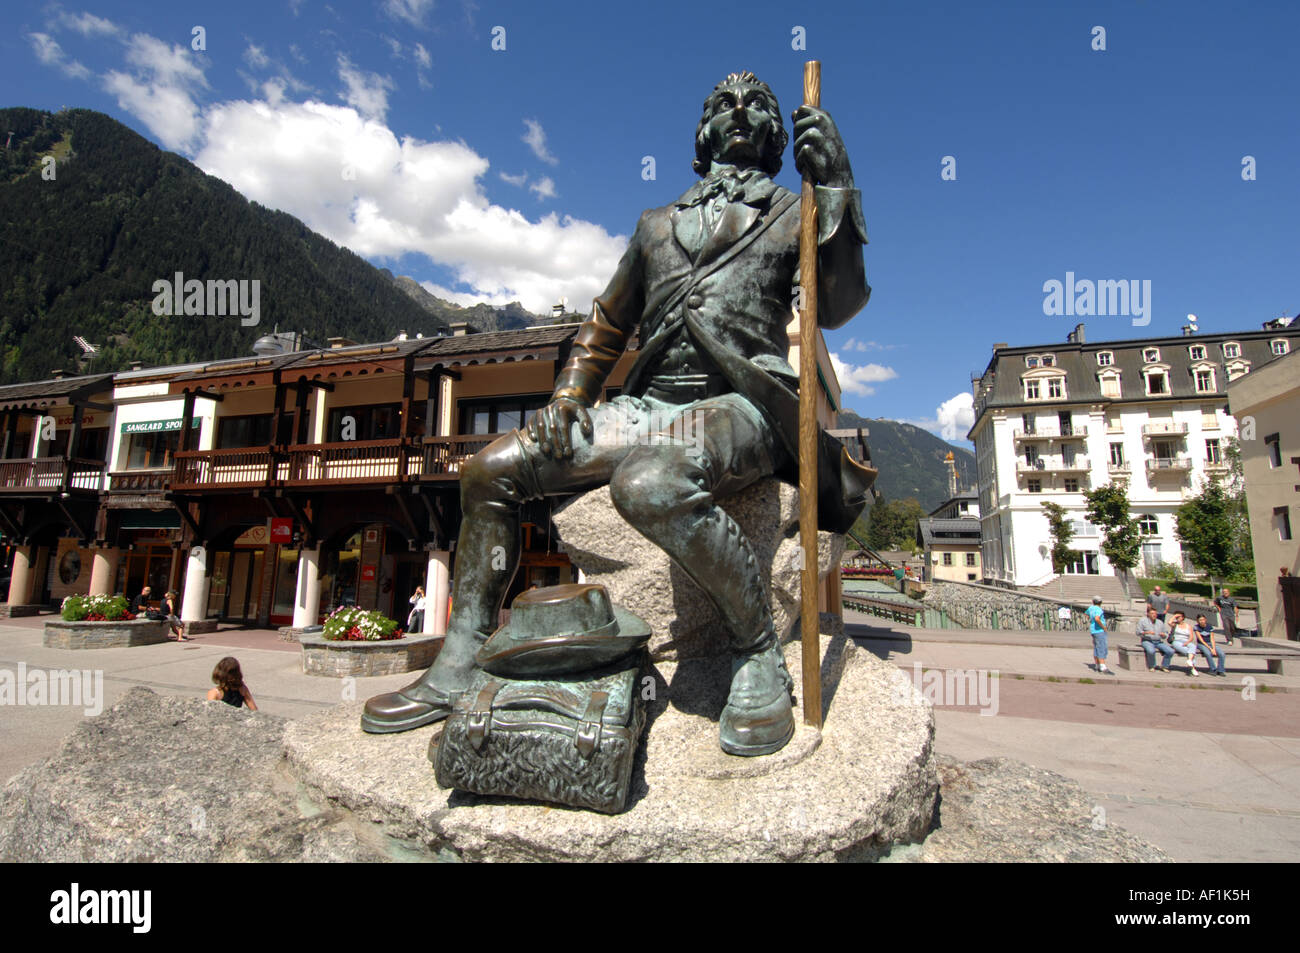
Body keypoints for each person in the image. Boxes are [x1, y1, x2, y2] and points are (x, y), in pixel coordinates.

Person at [363, 70, 874, 758]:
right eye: (725, 104)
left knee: (648, 482)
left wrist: (837, 183)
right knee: (488, 472)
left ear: (780, 134)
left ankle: (756, 651)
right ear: (704, 130)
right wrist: (571, 397)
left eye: (759, 104)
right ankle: (460, 658)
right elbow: (606, 322)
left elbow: (839, 304)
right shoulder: (654, 225)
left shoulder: (792, 211)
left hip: (740, 404)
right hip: (646, 404)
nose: (743, 112)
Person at [1136, 605, 1175, 671]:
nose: (1154, 615)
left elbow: (1165, 633)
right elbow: (1137, 632)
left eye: (1155, 613)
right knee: (1151, 651)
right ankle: (1152, 666)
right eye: (1152, 613)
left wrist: (1163, 635)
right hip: (1147, 641)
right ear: (1148, 614)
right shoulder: (1142, 621)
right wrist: (1146, 632)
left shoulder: (1160, 622)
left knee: (1170, 651)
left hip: (1158, 641)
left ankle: (1164, 666)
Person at [1193, 613, 1227, 677]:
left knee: (1222, 654)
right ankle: (1213, 669)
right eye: (1200, 620)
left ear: (1205, 620)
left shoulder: (1209, 627)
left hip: (1210, 643)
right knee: (1208, 653)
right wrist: (1210, 649)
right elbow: (1201, 640)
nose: (1202, 621)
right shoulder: (1196, 627)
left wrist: (1213, 648)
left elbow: (1212, 639)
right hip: (1201, 644)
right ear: (1197, 621)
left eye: (1203, 619)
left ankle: (1220, 670)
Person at [1085, 597, 1113, 675]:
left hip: (1093, 630)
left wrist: (1090, 619)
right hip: (1099, 631)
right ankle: (1103, 666)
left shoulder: (1091, 608)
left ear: (1093, 601)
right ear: (1101, 602)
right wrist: (1103, 627)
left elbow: (1086, 614)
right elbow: (1097, 618)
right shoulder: (1098, 609)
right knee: (1101, 647)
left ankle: (1097, 665)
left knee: (1096, 647)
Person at [1167, 610, 1199, 676]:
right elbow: (1169, 622)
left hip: (1185, 641)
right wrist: (1175, 616)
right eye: (1177, 617)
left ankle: (1189, 661)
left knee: (1193, 646)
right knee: (1189, 652)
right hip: (1176, 641)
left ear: (1183, 617)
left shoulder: (1188, 626)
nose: (1178, 618)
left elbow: (1191, 637)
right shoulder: (1175, 624)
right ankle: (1193, 669)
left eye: (1179, 617)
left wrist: (1187, 642)